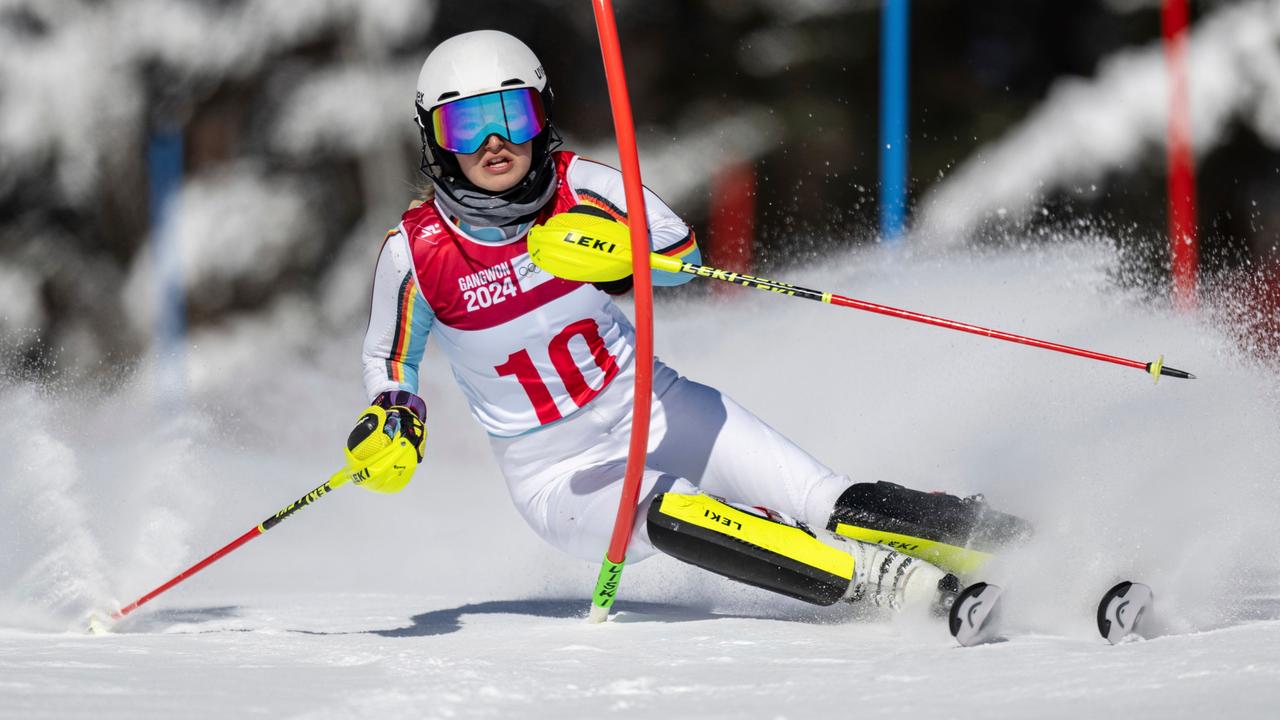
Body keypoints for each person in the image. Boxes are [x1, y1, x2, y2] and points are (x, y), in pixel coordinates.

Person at [344, 29, 1028, 615]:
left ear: (541, 115)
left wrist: (621, 257)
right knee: (669, 512)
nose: (495, 142)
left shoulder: (582, 186)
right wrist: (395, 418)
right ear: (434, 139)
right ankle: (887, 585)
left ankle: (1026, 547)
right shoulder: (416, 251)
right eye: (466, 125)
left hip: (656, 404)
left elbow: (681, 256)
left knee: (825, 496)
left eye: (512, 116)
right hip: (555, 470)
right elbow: (390, 360)